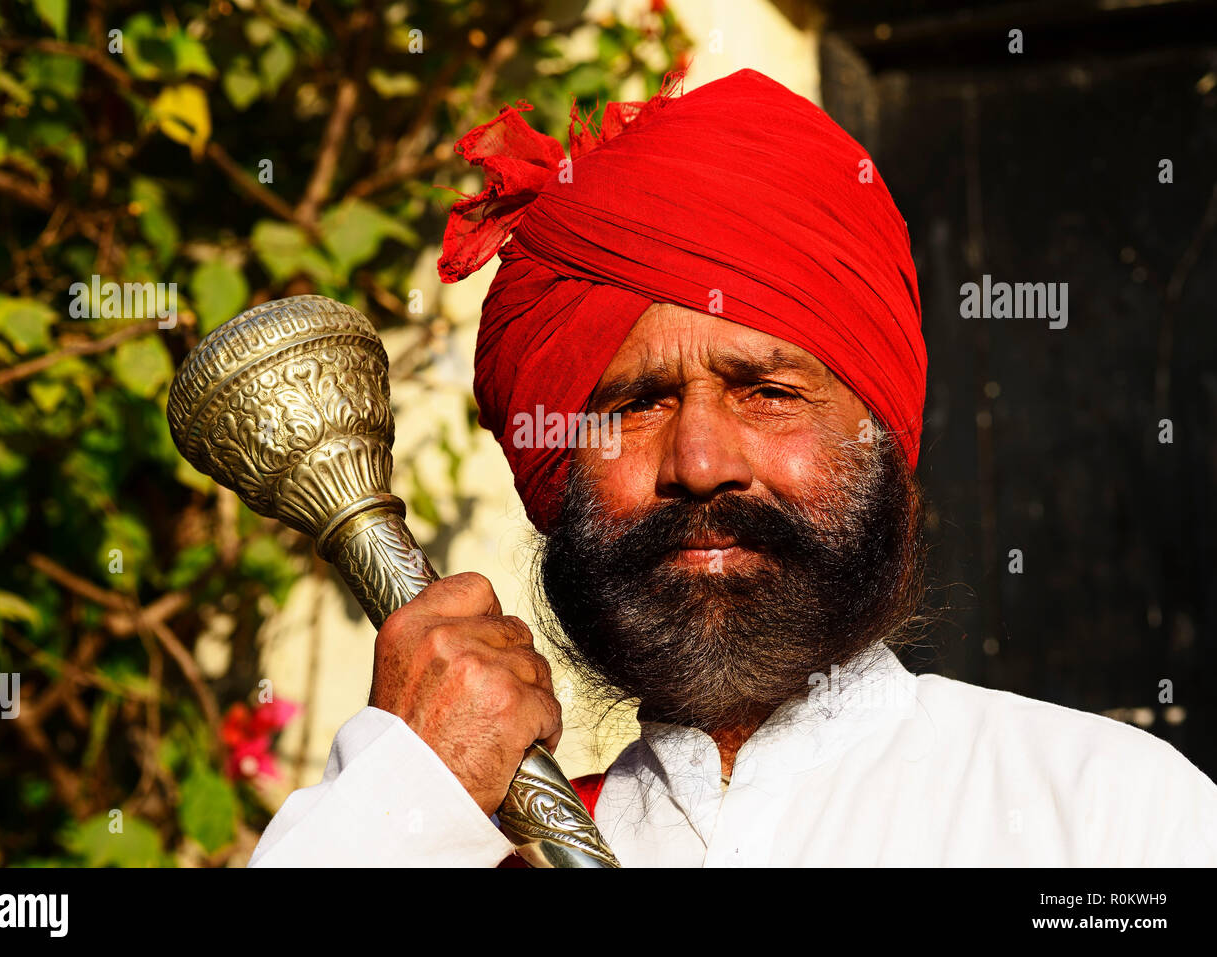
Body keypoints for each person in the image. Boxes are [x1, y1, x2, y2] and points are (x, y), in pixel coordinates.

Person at [248, 69, 1217, 867]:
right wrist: (411, 790)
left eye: (765, 391)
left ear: (880, 437)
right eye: (633, 406)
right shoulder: (449, 842)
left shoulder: (1102, 817)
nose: (701, 464)